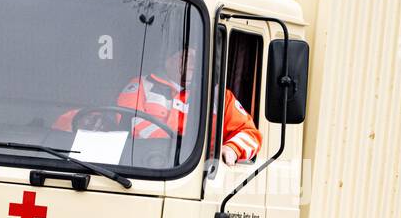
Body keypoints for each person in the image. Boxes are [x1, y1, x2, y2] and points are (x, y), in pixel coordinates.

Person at [57, 48, 261, 165]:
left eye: (196, 56)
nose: (190, 61)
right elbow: (131, 124)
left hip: (199, 176)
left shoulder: (220, 97)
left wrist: (231, 149)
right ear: (168, 60)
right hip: (150, 167)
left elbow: (251, 135)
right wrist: (173, 151)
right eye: (183, 55)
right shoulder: (140, 85)